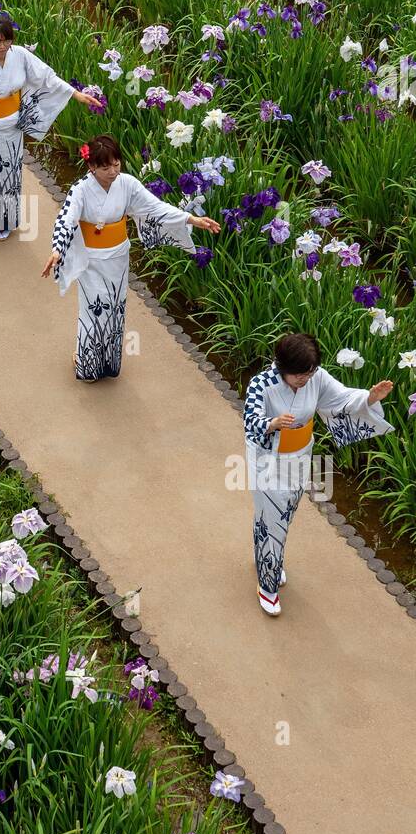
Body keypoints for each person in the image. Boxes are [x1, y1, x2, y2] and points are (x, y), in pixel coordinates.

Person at [42, 134, 219, 380]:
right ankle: (87, 363)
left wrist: (192, 219)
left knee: (115, 308)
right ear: (91, 166)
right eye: (105, 167)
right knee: (94, 310)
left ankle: (109, 364)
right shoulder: (80, 189)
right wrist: (57, 250)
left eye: (116, 164)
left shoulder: (128, 184)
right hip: (91, 260)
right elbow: (67, 218)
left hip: (118, 257)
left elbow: (155, 208)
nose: (113, 171)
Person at [243, 331, 394, 616]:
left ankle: (265, 555)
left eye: (309, 372)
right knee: (273, 518)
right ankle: (268, 586)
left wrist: (369, 398)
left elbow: (342, 399)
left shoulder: (317, 377)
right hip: (268, 459)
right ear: (283, 366)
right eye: (300, 374)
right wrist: (272, 423)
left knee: (281, 515)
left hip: (300, 455)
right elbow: (251, 418)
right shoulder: (262, 384)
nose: (305, 379)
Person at [0, 11, 99, 242]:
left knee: (9, 179)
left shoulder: (20, 55)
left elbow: (46, 77)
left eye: (6, 40)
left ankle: (5, 221)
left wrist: (75, 94)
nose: (2, 46)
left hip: (12, 130)